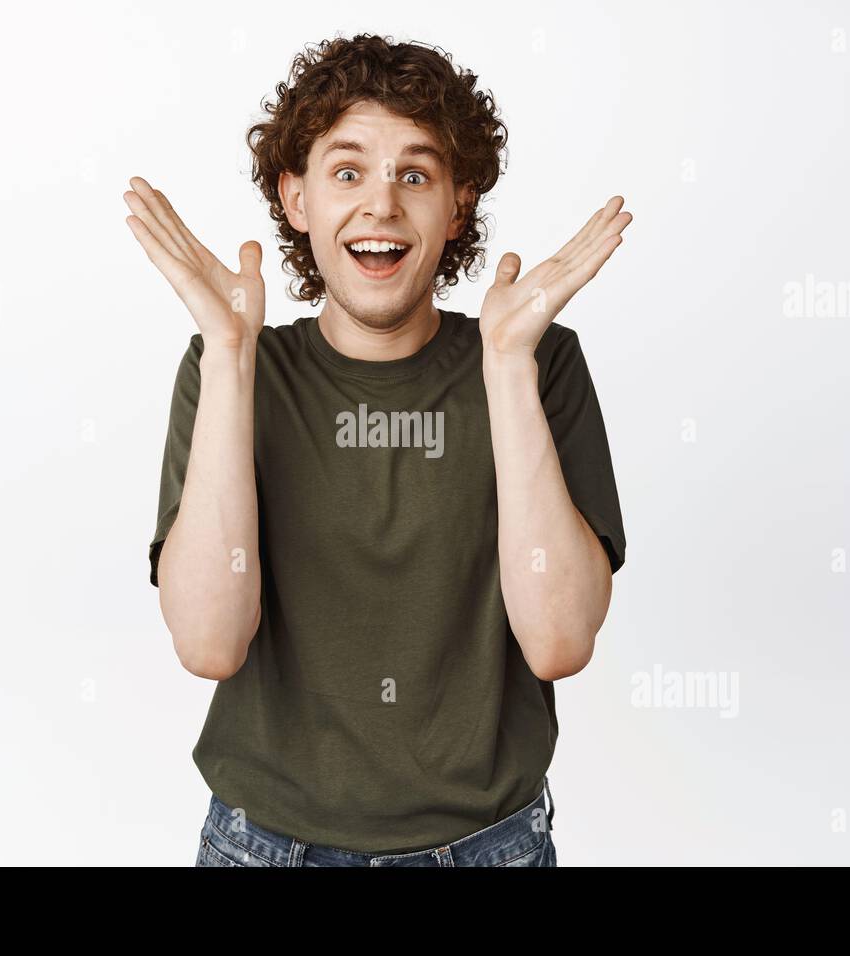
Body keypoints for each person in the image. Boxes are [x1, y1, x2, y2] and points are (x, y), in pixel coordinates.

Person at [123, 34, 630, 867]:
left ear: (459, 205)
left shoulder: (539, 363)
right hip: (262, 848)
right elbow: (209, 644)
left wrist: (506, 367)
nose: (382, 206)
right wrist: (227, 354)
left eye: (416, 175)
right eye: (347, 171)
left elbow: (560, 642)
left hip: (489, 847)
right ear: (297, 199)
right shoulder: (235, 369)